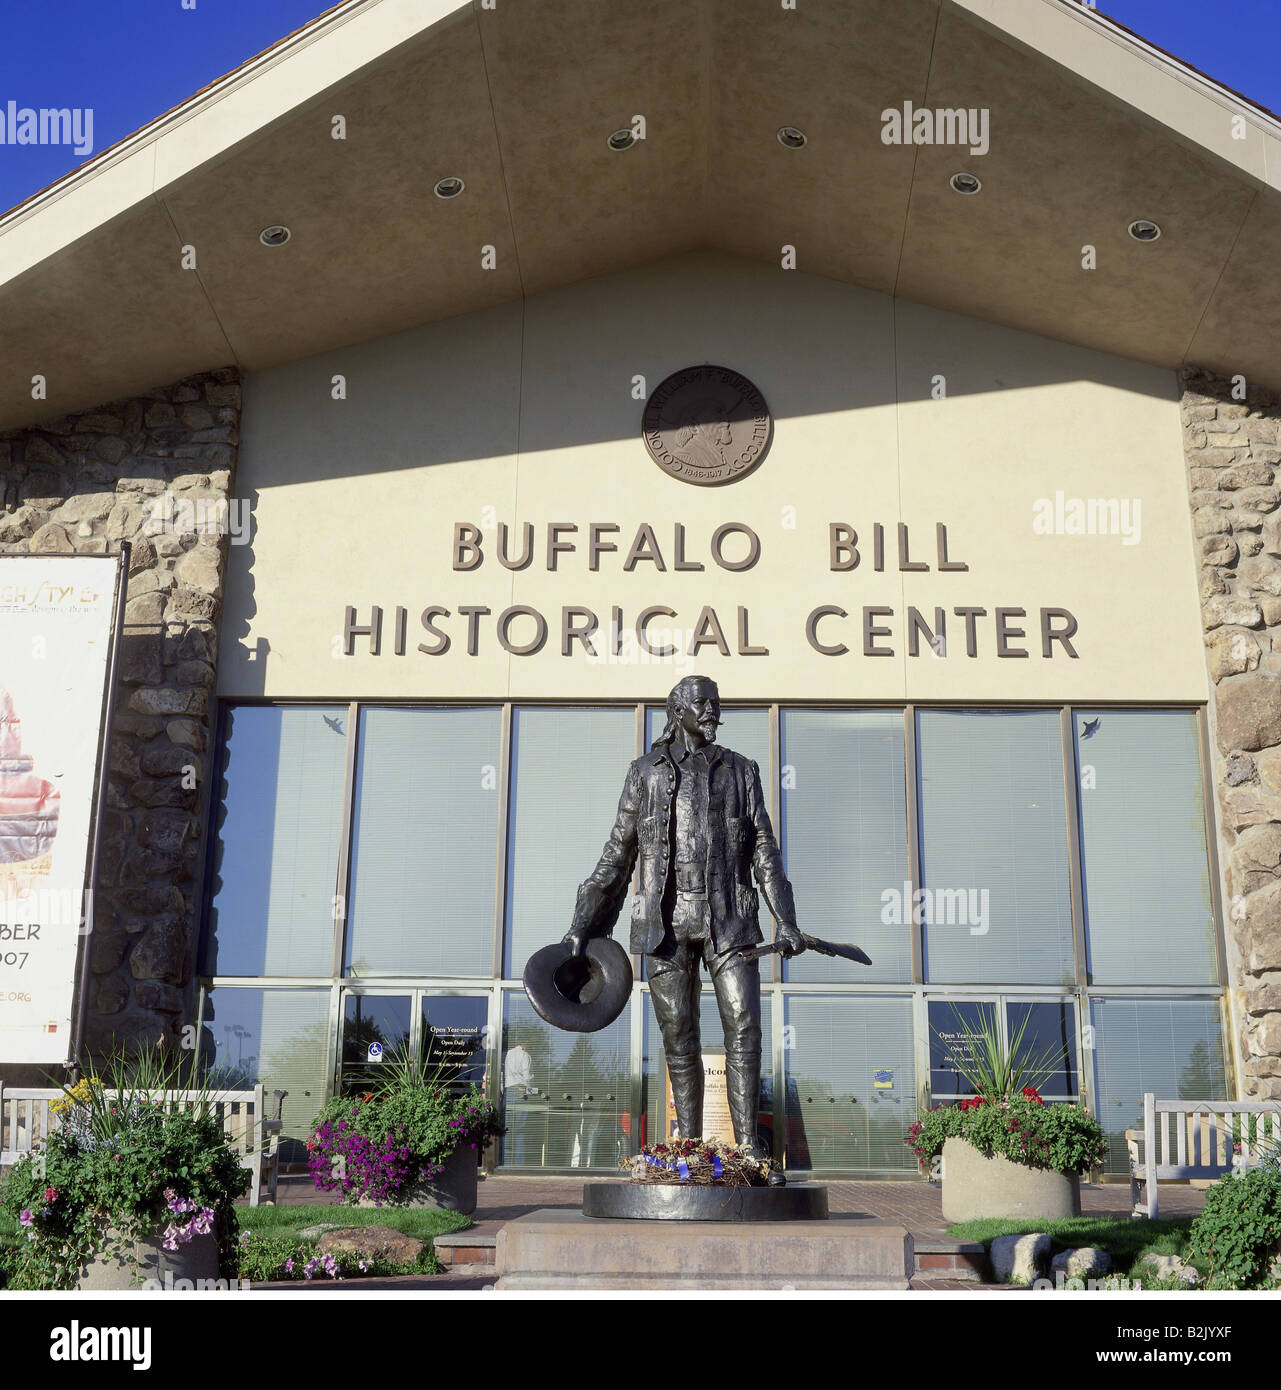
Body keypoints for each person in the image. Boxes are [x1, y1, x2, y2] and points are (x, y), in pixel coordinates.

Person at [564, 675, 803, 1181]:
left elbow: (764, 848)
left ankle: (751, 1150)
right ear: (678, 711)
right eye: (702, 703)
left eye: (717, 702)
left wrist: (786, 919)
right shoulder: (644, 772)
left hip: (731, 921)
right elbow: (617, 853)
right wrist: (582, 923)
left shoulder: (742, 770)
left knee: (745, 1026)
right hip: (665, 925)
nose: (713, 711)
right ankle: (691, 1150)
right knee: (679, 1036)